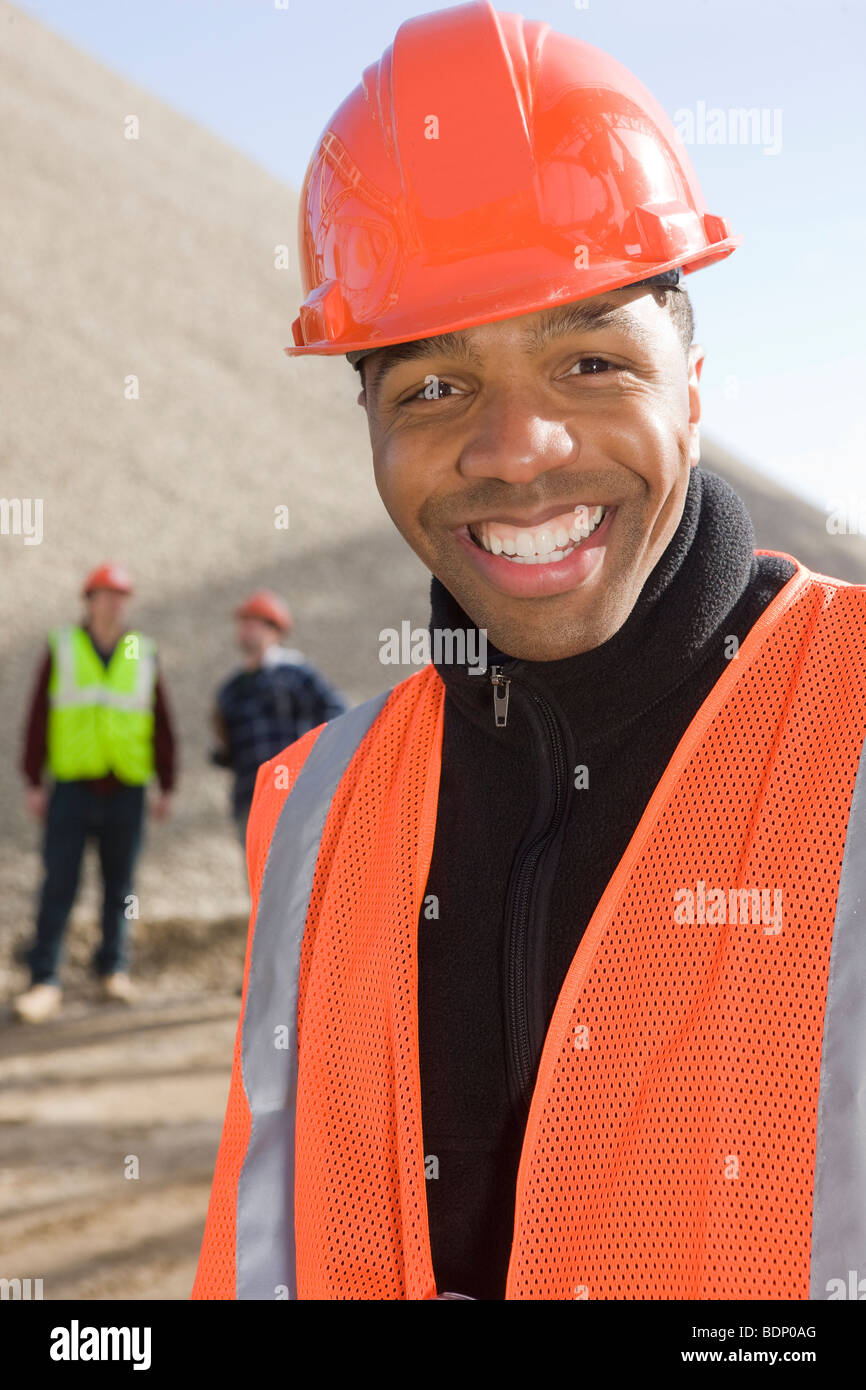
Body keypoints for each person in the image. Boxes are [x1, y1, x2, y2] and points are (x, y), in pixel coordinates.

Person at [192, 1, 866, 1300]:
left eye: (588, 360)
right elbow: (262, 1251)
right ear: (370, 433)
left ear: (691, 384)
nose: (516, 449)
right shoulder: (310, 811)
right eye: (433, 389)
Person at [14, 562, 176, 1023]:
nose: (114, 603)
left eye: (121, 595)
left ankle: (113, 970)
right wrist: (32, 780)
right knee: (59, 882)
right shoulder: (62, 647)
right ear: (88, 601)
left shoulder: (142, 651)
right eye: (105, 594)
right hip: (72, 787)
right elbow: (38, 717)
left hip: (127, 786)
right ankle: (44, 979)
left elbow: (160, 720)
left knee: (120, 886)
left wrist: (167, 782)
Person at [211, 590, 346, 844]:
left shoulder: (296, 673)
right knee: (259, 882)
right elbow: (226, 750)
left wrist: (317, 763)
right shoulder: (230, 689)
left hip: (295, 795)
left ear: (274, 629)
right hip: (250, 799)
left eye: (253, 622)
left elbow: (336, 712)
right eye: (243, 623)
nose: (245, 629)